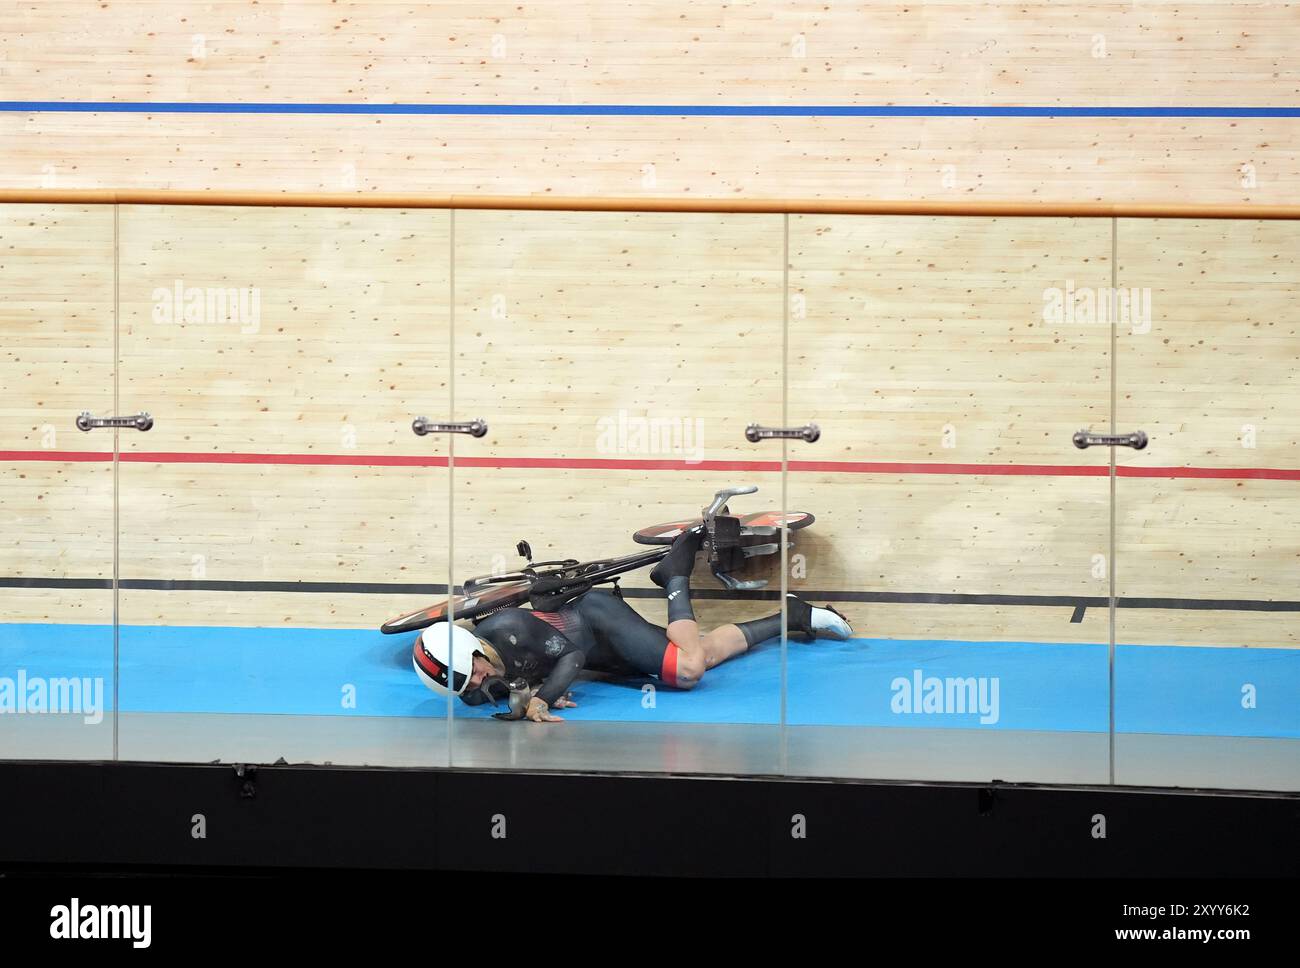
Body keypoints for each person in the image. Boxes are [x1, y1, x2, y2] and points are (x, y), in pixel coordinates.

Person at [413, 528, 853, 722]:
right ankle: (791, 616)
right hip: (595, 651)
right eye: (463, 683)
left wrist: (540, 700)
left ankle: (673, 577)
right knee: (703, 655)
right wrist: (520, 698)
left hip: (597, 623)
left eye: (472, 669)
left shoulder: (510, 626)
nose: (476, 681)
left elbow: (571, 656)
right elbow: (499, 693)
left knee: (687, 671)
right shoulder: (469, 688)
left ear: (471, 644)